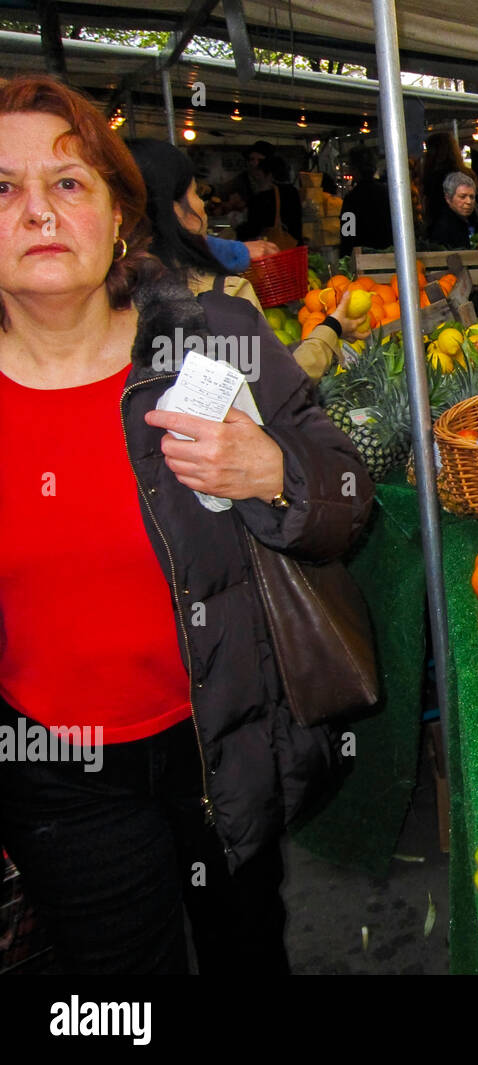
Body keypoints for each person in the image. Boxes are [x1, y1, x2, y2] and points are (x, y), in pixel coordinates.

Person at [0, 74, 373, 974]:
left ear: (121, 216)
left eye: (68, 182)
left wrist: (276, 470)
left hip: (223, 738)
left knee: (247, 946)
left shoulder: (209, 335)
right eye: (1, 187)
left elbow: (349, 490)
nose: (38, 212)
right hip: (55, 767)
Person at [127, 139, 366, 382]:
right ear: (175, 210)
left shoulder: (113, 294)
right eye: (196, 193)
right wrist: (332, 329)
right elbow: (277, 385)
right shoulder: (224, 297)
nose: (202, 204)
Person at [237, 151, 302, 246]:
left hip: (274, 252)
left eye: (258, 171)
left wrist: (237, 226)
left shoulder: (260, 199)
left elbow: (253, 229)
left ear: (267, 174)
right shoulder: (293, 192)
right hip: (295, 248)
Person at [338, 146, 393, 257]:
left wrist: (344, 258)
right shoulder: (388, 193)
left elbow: (347, 234)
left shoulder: (352, 198)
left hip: (363, 258)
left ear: (355, 169)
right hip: (390, 255)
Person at [421, 132, 475, 242]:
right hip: (465, 231)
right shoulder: (467, 174)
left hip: (441, 233)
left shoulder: (434, 177)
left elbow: (432, 209)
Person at [429, 171, 478, 249]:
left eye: (472, 197)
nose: (469, 202)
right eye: (462, 197)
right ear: (448, 198)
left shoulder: (477, 221)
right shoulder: (442, 227)